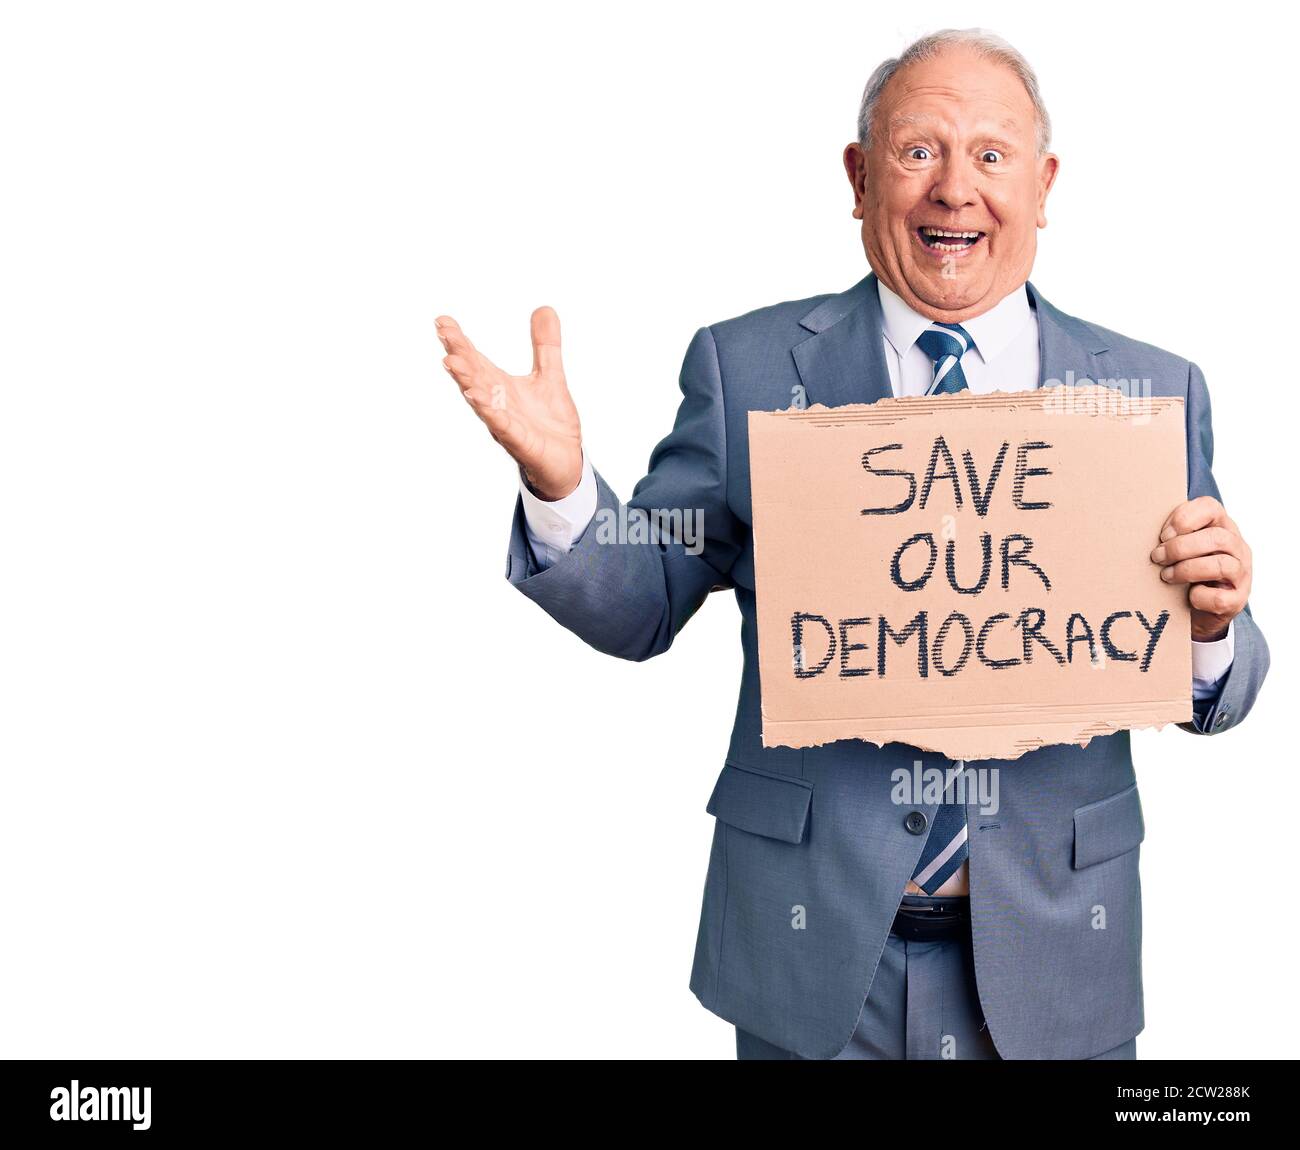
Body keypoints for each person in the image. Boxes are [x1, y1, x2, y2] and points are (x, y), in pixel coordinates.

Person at [437, 28, 1268, 1059]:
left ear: (1044, 185)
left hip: (1054, 959)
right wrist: (563, 486)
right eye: (918, 151)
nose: (953, 188)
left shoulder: (1148, 391)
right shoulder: (746, 369)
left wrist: (1210, 627)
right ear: (860, 175)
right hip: (816, 958)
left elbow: (1216, 686)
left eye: (991, 156)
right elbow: (640, 593)